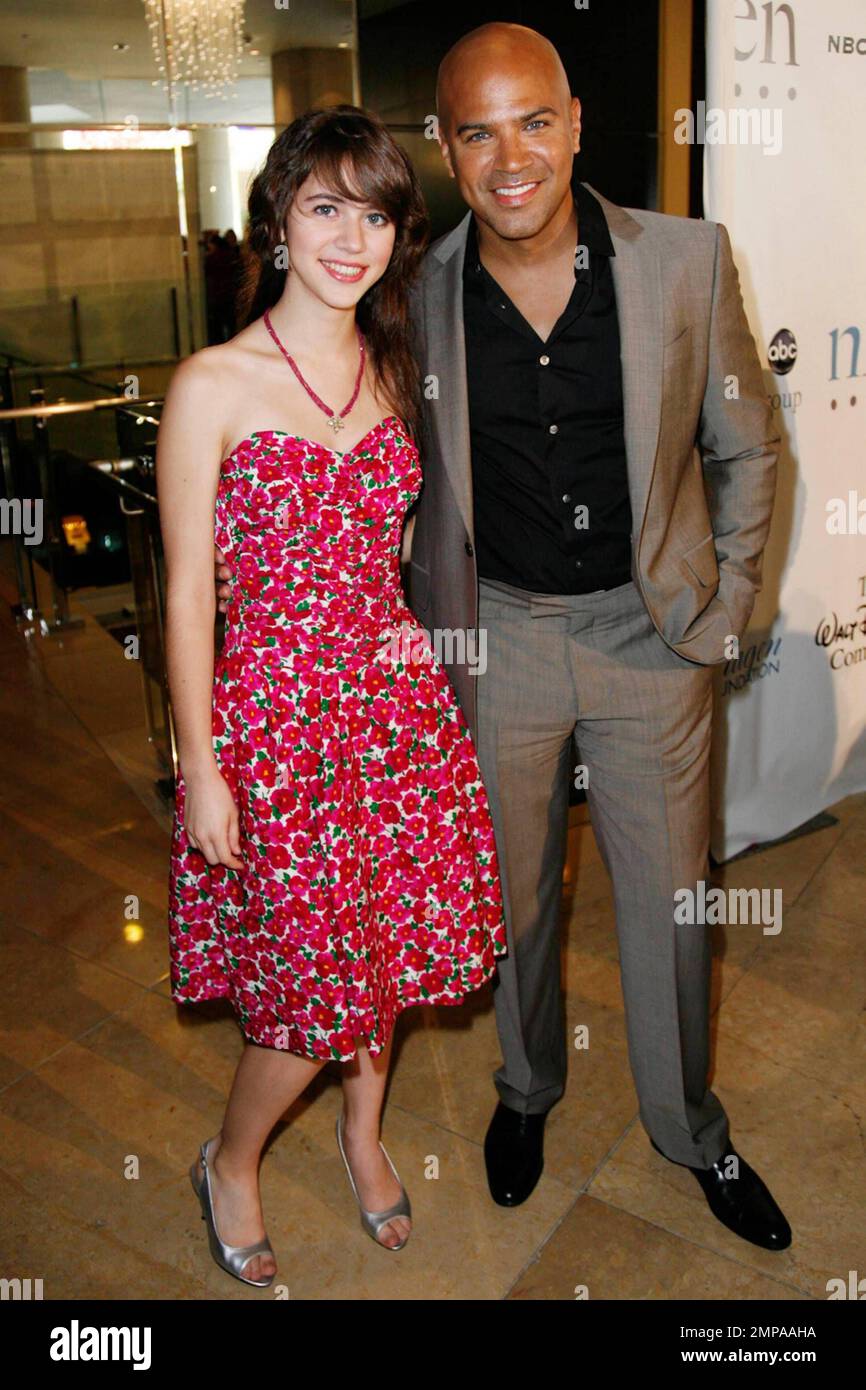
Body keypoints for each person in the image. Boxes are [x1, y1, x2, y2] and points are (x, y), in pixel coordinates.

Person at [218, 25, 791, 1253]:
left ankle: (689, 1126)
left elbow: (747, 439)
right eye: (476, 132)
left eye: (532, 120)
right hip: (497, 639)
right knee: (511, 898)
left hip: (651, 637)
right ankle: (525, 1094)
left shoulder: (684, 260)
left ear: (576, 121)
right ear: (445, 149)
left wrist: (723, 604)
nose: (509, 155)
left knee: (674, 907)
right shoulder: (406, 293)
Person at [160, 105, 507, 1287]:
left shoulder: (398, 371)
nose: (350, 238)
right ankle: (234, 1157)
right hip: (273, 720)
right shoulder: (210, 383)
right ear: (276, 221)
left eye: (374, 213)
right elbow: (189, 597)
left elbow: (409, 550)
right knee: (310, 979)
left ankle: (363, 1136)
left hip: (392, 710)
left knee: (392, 954)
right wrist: (201, 766)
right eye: (324, 207)